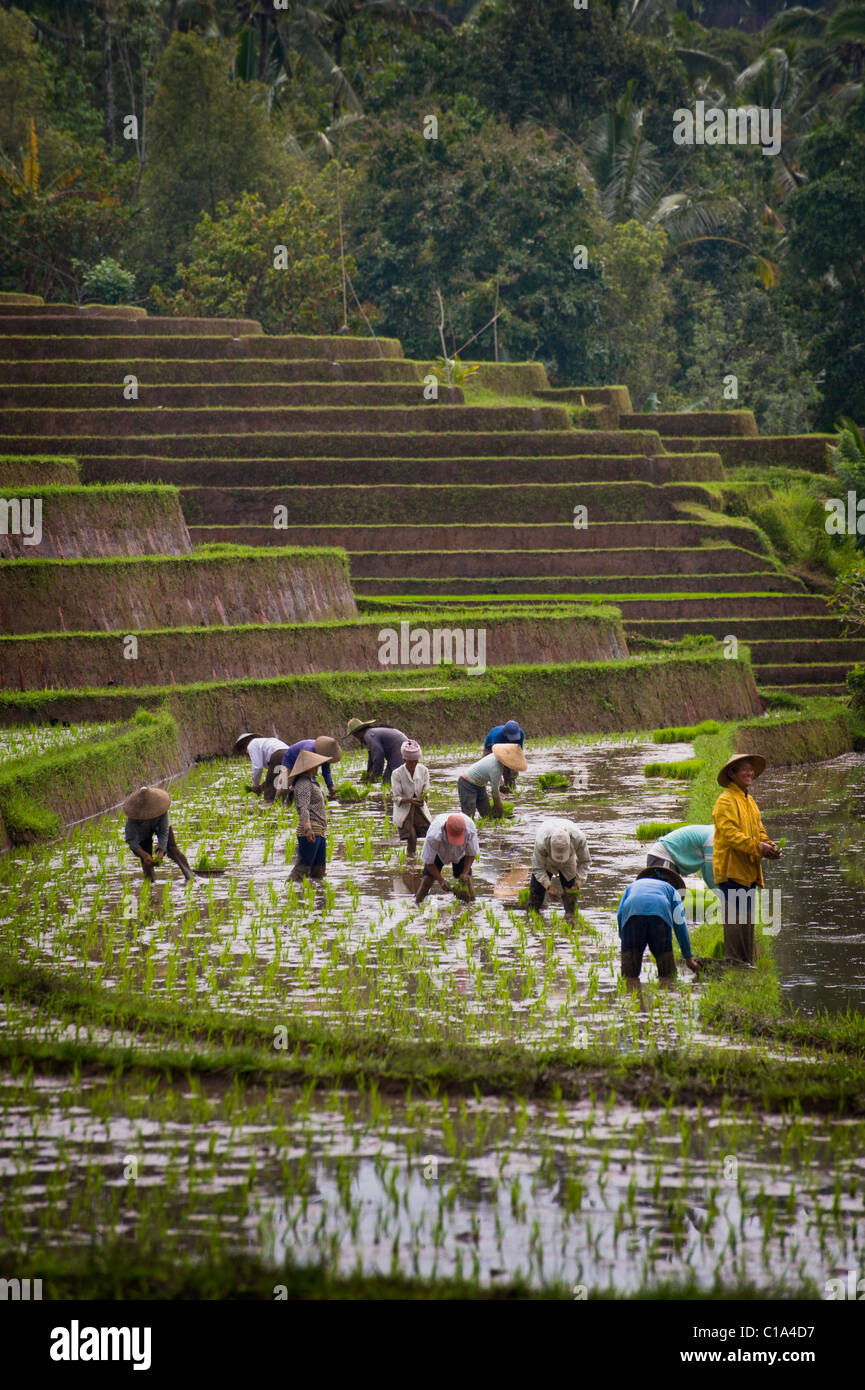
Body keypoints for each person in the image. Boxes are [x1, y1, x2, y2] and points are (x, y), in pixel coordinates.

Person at [712, 752, 781, 966]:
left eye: (751, 769)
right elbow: (732, 836)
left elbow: (759, 831)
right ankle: (735, 964)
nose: (749, 773)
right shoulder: (725, 802)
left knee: (748, 920)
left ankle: (747, 964)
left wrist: (769, 846)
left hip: (748, 870)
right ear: (732, 773)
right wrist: (758, 848)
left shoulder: (749, 801)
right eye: (745, 769)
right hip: (731, 870)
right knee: (735, 919)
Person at [616, 866, 700, 990]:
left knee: (629, 976)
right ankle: (666, 1000)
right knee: (667, 974)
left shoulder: (633, 885)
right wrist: (688, 957)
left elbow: (620, 914)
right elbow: (680, 924)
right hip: (659, 918)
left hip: (632, 917)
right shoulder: (671, 890)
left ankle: (631, 1003)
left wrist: (625, 939)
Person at [123, 785, 193, 883]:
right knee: (146, 858)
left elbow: (164, 832)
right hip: (142, 832)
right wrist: (143, 854)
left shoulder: (160, 808)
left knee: (172, 848)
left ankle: (190, 875)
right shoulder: (133, 815)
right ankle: (150, 883)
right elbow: (130, 839)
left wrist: (161, 850)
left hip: (159, 826)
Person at [529, 817, 591, 915]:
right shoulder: (541, 842)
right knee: (535, 896)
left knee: (570, 898)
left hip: (569, 861)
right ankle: (532, 918)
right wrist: (548, 886)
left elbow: (585, 862)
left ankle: (571, 920)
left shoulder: (578, 839)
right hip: (547, 860)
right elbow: (537, 867)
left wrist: (578, 883)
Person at [416, 812, 479, 904]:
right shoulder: (434, 835)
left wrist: (465, 873)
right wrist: (441, 880)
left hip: (461, 852)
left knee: (466, 882)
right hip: (439, 852)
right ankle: (417, 905)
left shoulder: (470, 829)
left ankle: (471, 907)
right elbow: (429, 862)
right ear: (445, 829)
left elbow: (471, 853)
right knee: (426, 881)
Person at [646, 824, 719, 902]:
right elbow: (710, 874)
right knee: (663, 898)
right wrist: (723, 894)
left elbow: (706, 872)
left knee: (673, 899)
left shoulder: (713, 832)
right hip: (663, 856)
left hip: (665, 857)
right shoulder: (713, 838)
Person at [286, 749, 329, 881]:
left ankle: (318, 895)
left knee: (319, 869)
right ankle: (291, 893)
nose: (318, 768)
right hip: (311, 831)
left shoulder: (311, 782)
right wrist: (308, 828)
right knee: (302, 868)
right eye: (316, 765)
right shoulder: (303, 783)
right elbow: (303, 808)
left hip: (319, 831)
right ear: (310, 767)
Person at [458, 742, 527, 819]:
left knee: (487, 815)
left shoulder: (497, 759)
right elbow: (495, 793)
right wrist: (500, 809)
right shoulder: (495, 768)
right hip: (466, 783)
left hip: (480, 785)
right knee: (469, 816)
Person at [391, 739, 431, 855]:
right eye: (410, 762)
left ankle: (422, 859)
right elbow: (395, 797)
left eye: (415, 762)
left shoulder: (423, 770)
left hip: (419, 809)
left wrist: (424, 799)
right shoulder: (397, 774)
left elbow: (426, 790)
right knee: (411, 836)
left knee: (430, 834)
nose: (413, 765)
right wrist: (410, 800)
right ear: (404, 760)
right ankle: (411, 860)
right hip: (404, 810)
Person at [347, 718, 408, 785]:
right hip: (403, 747)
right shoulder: (370, 734)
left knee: (388, 781)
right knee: (388, 780)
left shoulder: (369, 736)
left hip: (400, 750)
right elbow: (371, 757)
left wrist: (375, 776)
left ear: (356, 733)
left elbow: (378, 756)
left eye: (354, 735)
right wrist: (368, 772)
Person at [234, 732, 289, 804]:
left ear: (244, 745)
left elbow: (257, 767)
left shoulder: (252, 744)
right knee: (282, 785)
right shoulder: (264, 743)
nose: (246, 752)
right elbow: (274, 775)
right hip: (289, 755)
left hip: (279, 755)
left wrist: (255, 785)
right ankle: (282, 807)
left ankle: (268, 806)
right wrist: (262, 787)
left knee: (270, 792)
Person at [281, 736, 341, 801]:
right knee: (284, 784)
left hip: (305, 764)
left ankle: (292, 803)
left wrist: (331, 789)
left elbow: (326, 773)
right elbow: (309, 773)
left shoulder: (326, 754)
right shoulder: (309, 751)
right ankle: (277, 803)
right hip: (291, 759)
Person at [483, 719, 525, 791]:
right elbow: (494, 759)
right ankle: (493, 790)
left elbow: (518, 751)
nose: (513, 739)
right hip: (491, 748)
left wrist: (515, 768)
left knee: (511, 773)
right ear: (505, 733)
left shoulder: (521, 733)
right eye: (511, 737)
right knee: (491, 770)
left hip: (509, 749)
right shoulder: (497, 736)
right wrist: (500, 781)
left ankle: (511, 790)